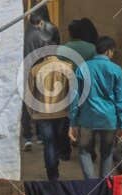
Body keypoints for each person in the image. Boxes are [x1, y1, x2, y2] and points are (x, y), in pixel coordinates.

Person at [28, 20, 95, 181]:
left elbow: (30, 94)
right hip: (66, 107)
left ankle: (53, 174)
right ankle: (76, 152)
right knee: (69, 133)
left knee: (49, 144)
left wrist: (32, 113)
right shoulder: (70, 64)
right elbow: (71, 90)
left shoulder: (36, 68)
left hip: (43, 113)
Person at [71, 34, 122, 179]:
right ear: (109, 51)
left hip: (87, 118)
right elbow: (121, 99)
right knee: (107, 152)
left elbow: (75, 97)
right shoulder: (117, 70)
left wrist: (73, 122)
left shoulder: (82, 68)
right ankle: (104, 187)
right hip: (109, 119)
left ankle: (90, 186)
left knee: (84, 151)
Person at [21, 9, 59, 151]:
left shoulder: (24, 34)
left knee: (27, 105)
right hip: (40, 71)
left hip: (26, 71)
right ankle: (41, 135)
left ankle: (27, 137)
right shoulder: (43, 35)